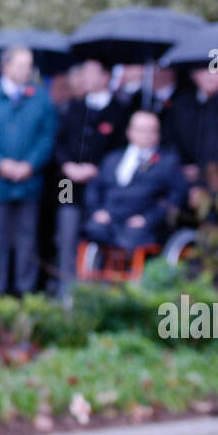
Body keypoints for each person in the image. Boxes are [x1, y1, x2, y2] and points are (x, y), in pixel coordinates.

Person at [0, 46, 58, 298]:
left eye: (29, 65)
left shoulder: (41, 98)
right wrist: (0, 163)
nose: (27, 70)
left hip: (29, 183)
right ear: (6, 67)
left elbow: (47, 137)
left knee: (27, 240)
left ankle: (25, 292)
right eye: (21, 65)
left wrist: (30, 164)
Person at [52, 60, 131, 298]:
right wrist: (68, 165)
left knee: (98, 235)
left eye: (91, 72)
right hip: (67, 183)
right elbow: (59, 142)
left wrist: (97, 169)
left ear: (106, 77)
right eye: (83, 72)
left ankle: (95, 291)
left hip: (102, 185)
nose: (85, 77)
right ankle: (65, 290)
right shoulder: (72, 107)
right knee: (67, 232)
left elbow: (121, 150)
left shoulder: (120, 111)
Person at [83, 111, 188, 253]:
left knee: (132, 237)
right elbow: (94, 188)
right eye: (140, 129)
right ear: (129, 131)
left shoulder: (167, 161)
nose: (145, 134)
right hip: (108, 218)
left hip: (141, 223)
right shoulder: (112, 158)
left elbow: (175, 197)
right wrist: (97, 211)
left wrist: (148, 219)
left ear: (157, 134)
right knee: (92, 230)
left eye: (150, 130)